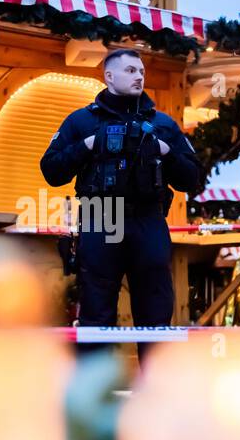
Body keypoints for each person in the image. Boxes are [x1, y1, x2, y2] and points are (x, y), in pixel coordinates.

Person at [40, 48, 205, 329]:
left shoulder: (162, 125)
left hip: (147, 218)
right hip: (102, 215)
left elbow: (193, 180)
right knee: (96, 312)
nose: (139, 76)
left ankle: (153, 374)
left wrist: (167, 152)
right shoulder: (82, 122)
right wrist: (88, 145)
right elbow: (52, 171)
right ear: (109, 76)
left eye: (141, 71)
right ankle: (99, 374)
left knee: (155, 312)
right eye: (130, 71)